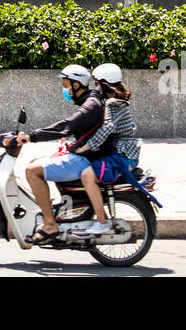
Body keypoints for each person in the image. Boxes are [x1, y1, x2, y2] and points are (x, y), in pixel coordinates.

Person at [15, 63, 104, 245]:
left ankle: (49, 225)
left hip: (85, 160)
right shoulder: (91, 101)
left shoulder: (91, 105)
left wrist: (32, 137)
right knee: (36, 161)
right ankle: (55, 208)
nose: (65, 89)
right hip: (85, 156)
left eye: (66, 84)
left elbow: (66, 127)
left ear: (77, 84)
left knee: (32, 170)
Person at [69, 63, 142, 236]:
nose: (95, 88)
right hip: (121, 152)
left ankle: (101, 222)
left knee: (87, 175)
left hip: (123, 156)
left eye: (96, 83)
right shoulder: (115, 101)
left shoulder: (113, 103)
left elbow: (107, 128)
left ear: (104, 83)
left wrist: (85, 147)